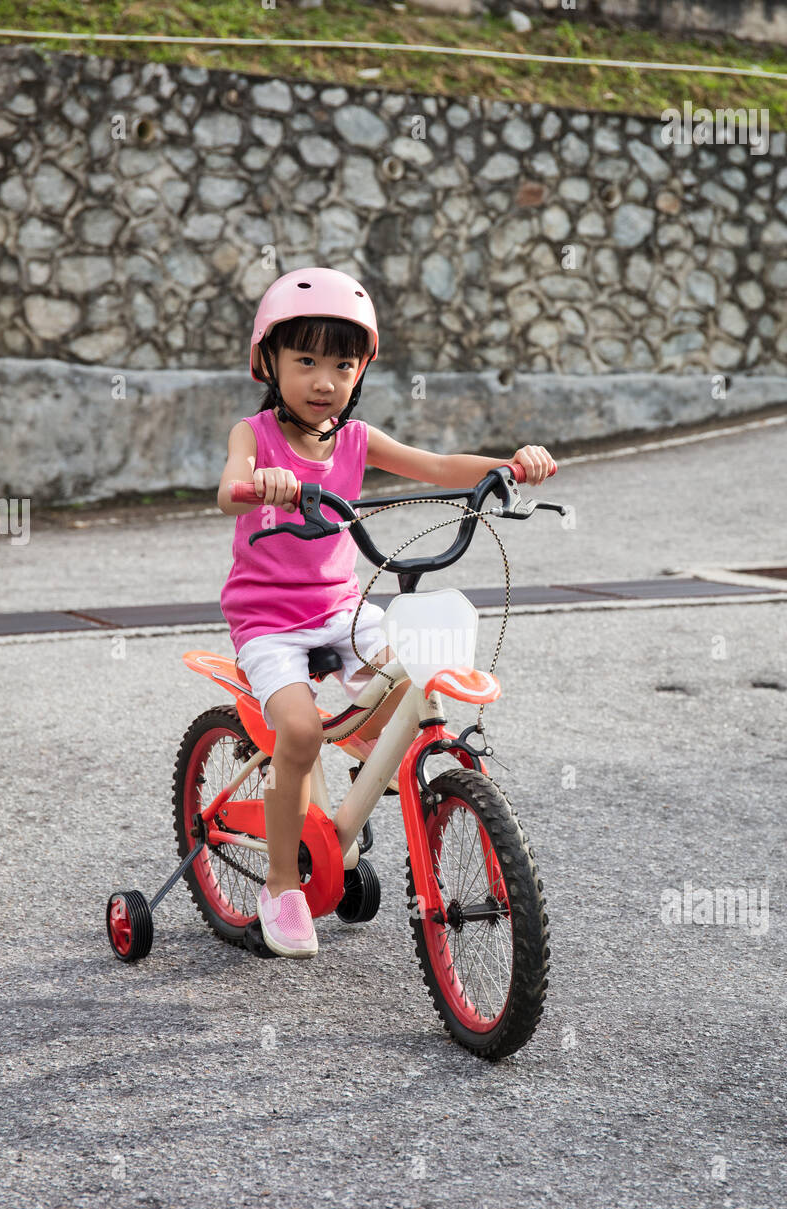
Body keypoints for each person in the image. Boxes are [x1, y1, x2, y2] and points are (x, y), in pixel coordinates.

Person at [218, 266, 555, 959]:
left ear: (361, 370)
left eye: (341, 364)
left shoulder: (358, 441)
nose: (323, 380)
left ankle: (361, 780)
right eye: (305, 360)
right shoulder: (254, 436)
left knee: (417, 675)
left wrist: (511, 466)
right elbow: (228, 491)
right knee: (301, 732)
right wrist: (263, 485)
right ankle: (281, 885)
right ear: (268, 363)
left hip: (342, 609)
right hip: (269, 621)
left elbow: (436, 467)